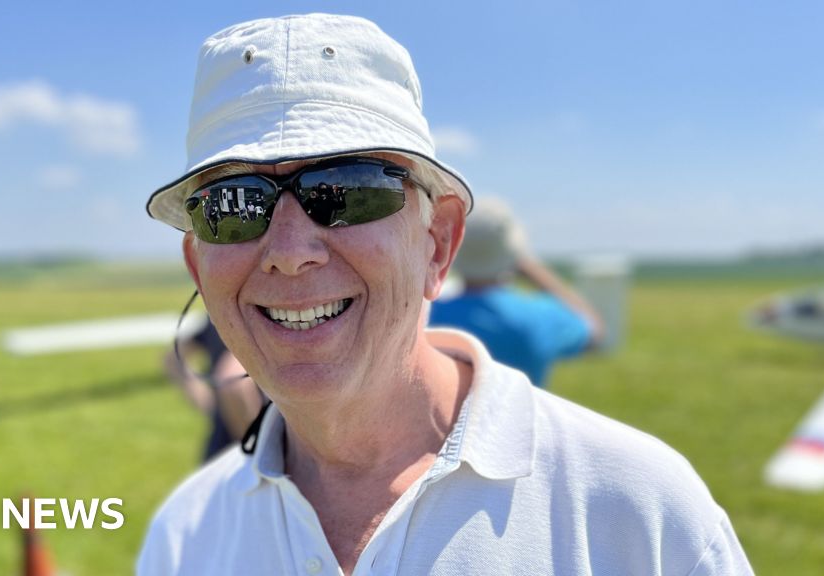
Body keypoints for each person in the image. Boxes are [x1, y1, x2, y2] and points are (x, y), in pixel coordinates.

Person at [138, 13, 753, 575]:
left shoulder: (638, 514)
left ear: (438, 243)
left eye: (347, 191)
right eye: (232, 205)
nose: (291, 250)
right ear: (199, 264)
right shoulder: (186, 533)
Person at [429, 197, 604, 387]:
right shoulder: (538, 316)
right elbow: (595, 332)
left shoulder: (428, 315)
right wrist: (534, 271)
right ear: (511, 250)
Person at [163, 320, 263, 461]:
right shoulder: (256, 317)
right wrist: (261, 450)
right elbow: (233, 383)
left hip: (218, 454)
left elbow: (173, 358)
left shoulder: (216, 315)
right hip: (246, 458)